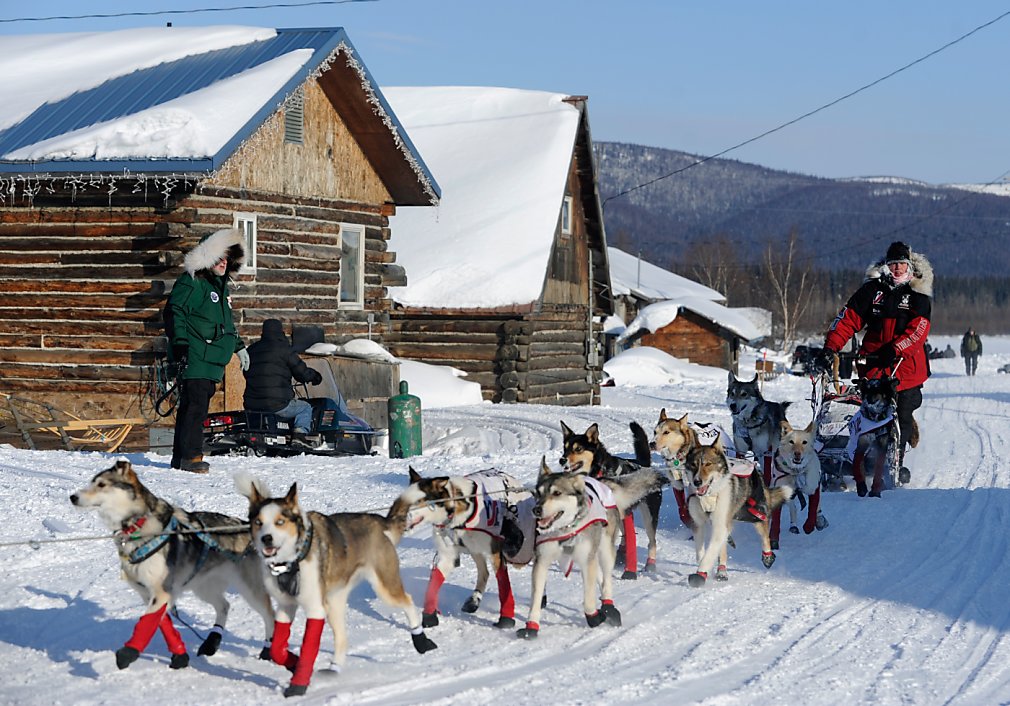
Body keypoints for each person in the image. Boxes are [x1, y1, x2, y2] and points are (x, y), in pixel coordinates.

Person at [820, 241, 933, 492]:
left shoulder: (918, 296)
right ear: (886, 266)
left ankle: (897, 460)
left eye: (901, 264)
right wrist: (830, 348)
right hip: (873, 366)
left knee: (901, 413)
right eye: (892, 265)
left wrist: (894, 350)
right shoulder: (872, 291)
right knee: (867, 413)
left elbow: (918, 332)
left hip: (905, 369)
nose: (897, 269)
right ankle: (859, 457)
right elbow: (848, 320)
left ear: (910, 266)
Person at [167, 228, 249, 473]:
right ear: (208, 258)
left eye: (227, 258)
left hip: (211, 360)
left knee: (193, 406)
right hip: (196, 356)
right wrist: (180, 343)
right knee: (195, 407)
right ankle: (191, 456)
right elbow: (174, 311)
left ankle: (180, 457)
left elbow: (226, 325)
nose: (224, 263)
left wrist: (239, 347)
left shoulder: (220, 289)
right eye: (219, 257)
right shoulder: (194, 283)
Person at [243, 319, 324, 447]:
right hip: (277, 404)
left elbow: (246, 373)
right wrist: (314, 376)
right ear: (280, 331)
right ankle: (300, 435)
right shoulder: (284, 349)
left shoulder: (252, 350)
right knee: (304, 408)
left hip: (252, 404)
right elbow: (301, 372)